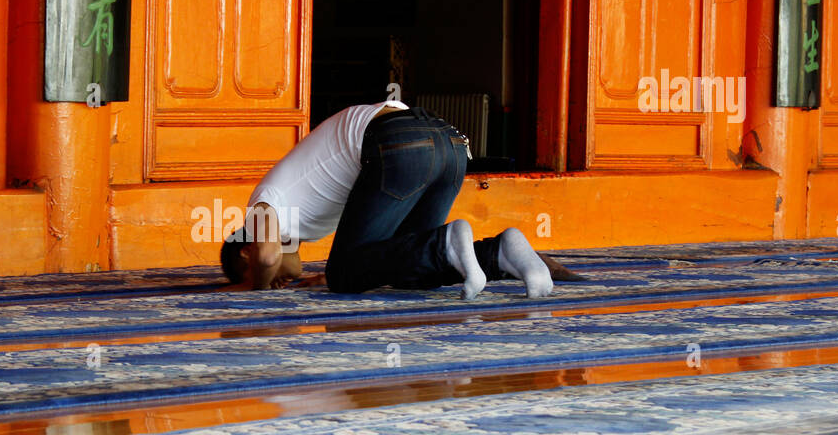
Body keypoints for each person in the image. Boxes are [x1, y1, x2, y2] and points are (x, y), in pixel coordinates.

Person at [220, 101, 578, 295]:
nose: (282, 279)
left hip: (400, 143)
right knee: (410, 268)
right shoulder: (305, 220)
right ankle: (500, 252)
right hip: (449, 146)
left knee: (344, 275)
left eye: (248, 266)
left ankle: (447, 242)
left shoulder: (264, 201)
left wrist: (255, 286)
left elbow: (268, 256)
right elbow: (386, 248)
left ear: (245, 251)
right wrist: (361, 269)